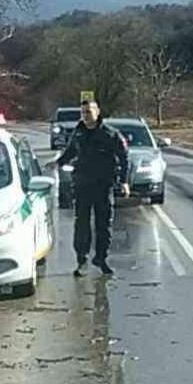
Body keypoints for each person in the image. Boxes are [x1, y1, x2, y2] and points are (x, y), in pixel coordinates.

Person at [54, 99, 130, 276]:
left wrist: (124, 181)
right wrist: (57, 163)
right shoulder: (78, 133)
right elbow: (70, 152)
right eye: (83, 112)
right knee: (82, 224)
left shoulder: (110, 134)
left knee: (104, 225)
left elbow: (124, 157)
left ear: (97, 112)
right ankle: (82, 259)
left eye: (88, 112)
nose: (85, 115)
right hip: (82, 185)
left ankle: (101, 258)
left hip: (103, 186)